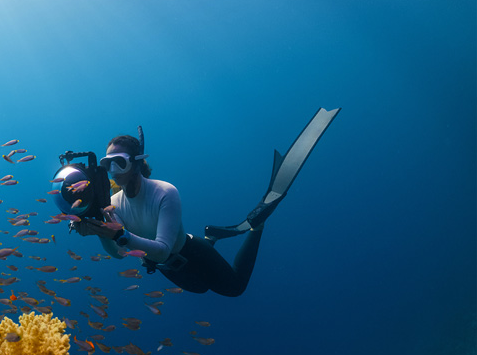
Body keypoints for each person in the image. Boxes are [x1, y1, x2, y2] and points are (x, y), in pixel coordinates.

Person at [71, 108, 339, 297]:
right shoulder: (113, 204)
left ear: (137, 163)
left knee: (234, 289)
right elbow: (118, 253)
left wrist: (120, 235)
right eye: (107, 163)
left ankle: (256, 227)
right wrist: (101, 233)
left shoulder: (165, 192)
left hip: (190, 252)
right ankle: (212, 236)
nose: (112, 170)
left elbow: (162, 249)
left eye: (119, 162)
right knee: (200, 289)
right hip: (164, 268)